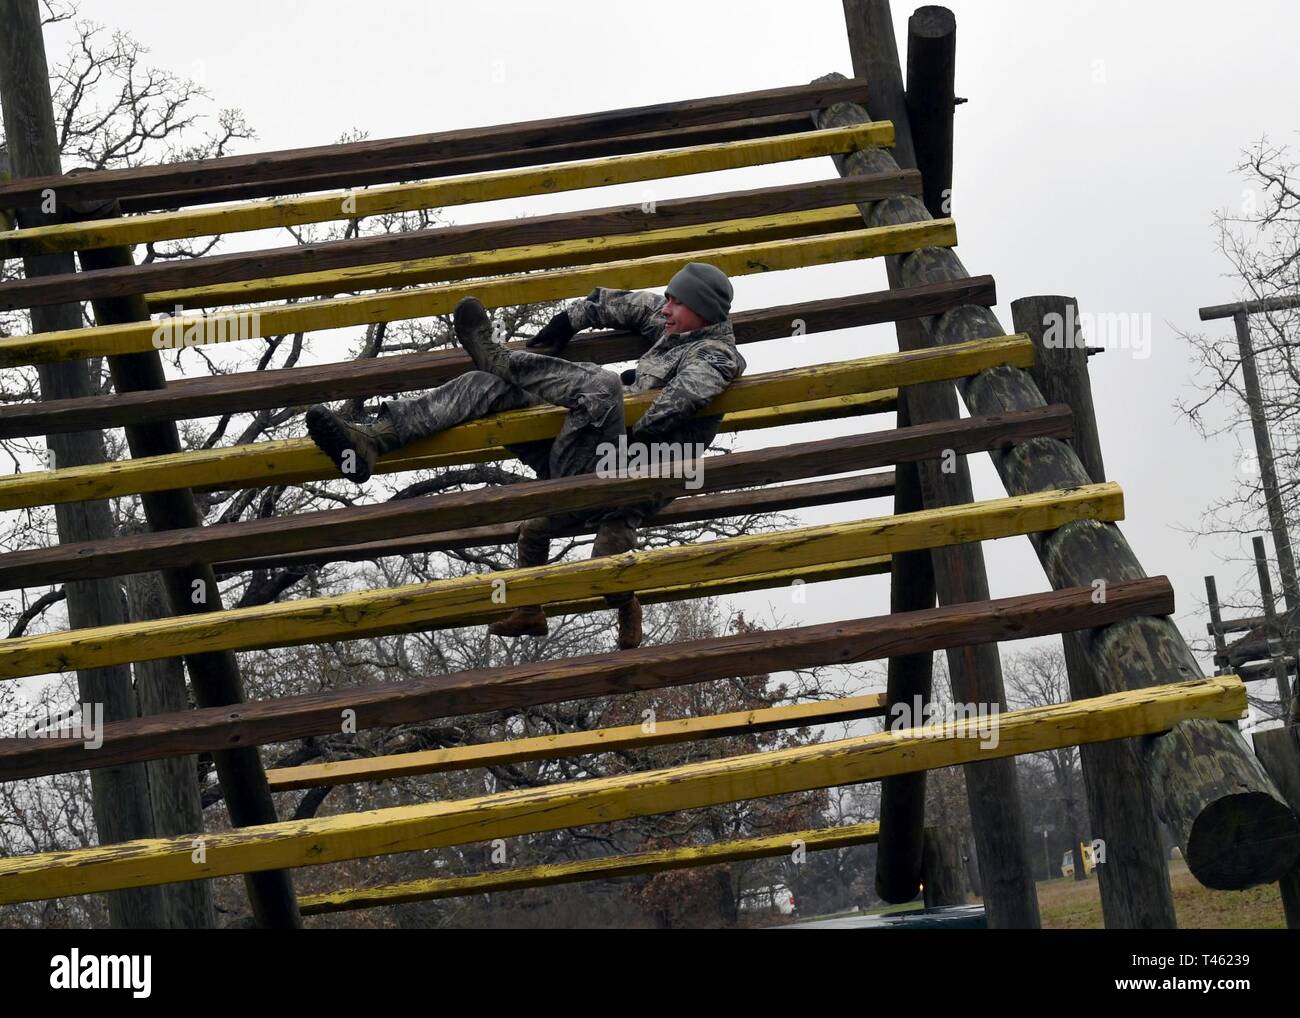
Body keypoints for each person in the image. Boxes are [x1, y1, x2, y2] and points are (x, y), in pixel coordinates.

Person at [304, 261, 745, 650]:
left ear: (705, 312)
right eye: (668, 298)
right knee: (486, 385)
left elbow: (682, 402)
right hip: (583, 455)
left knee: (603, 388)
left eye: (677, 302)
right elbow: (614, 305)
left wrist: (623, 419)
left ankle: (504, 360)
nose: (666, 309)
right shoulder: (671, 328)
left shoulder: (715, 356)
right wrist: (567, 321)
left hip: (623, 470)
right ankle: (373, 440)